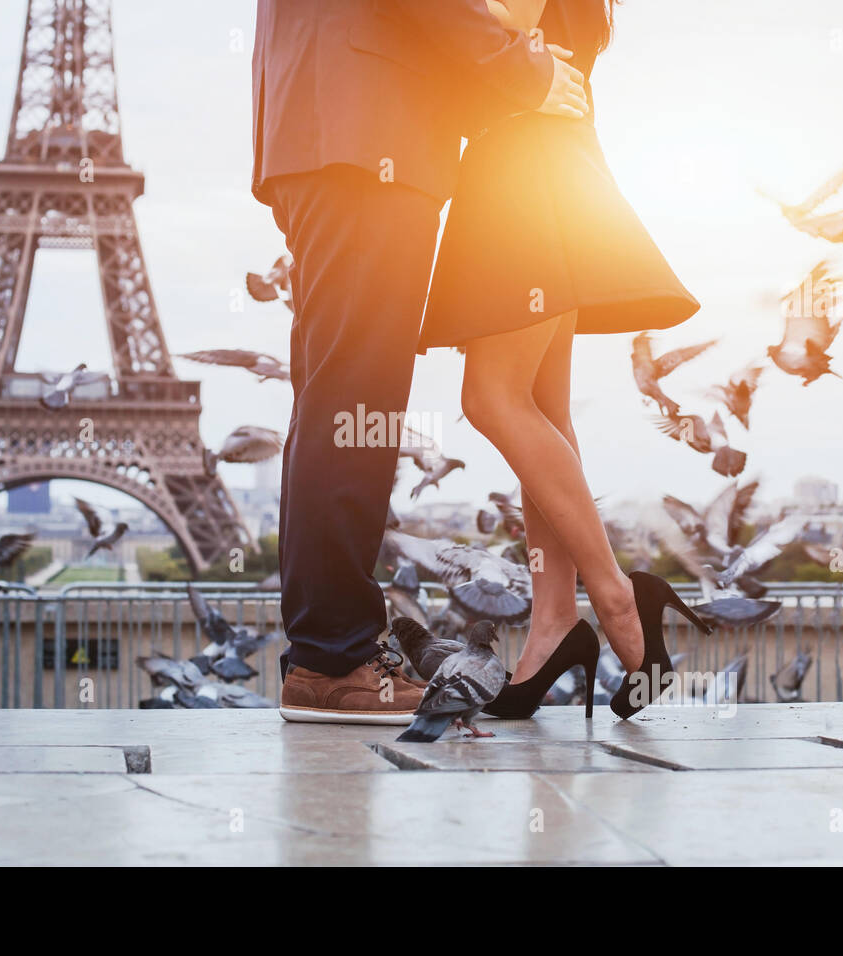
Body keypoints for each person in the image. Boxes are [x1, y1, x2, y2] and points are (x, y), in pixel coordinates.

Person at [251, 0, 589, 723]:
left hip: (333, 124)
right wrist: (521, 70)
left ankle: (327, 651)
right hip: (368, 135)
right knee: (355, 402)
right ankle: (332, 661)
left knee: (338, 397)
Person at [419, 0, 711, 720]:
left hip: (528, 167)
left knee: (491, 399)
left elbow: (489, 27)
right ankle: (553, 620)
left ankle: (615, 598)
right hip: (543, 162)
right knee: (540, 411)